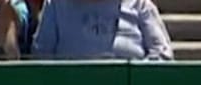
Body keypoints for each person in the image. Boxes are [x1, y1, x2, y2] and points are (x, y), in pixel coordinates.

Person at [31, 0, 173, 59]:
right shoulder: (56, 5)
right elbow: (41, 58)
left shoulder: (139, 4)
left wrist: (133, 77)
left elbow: (163, 55)